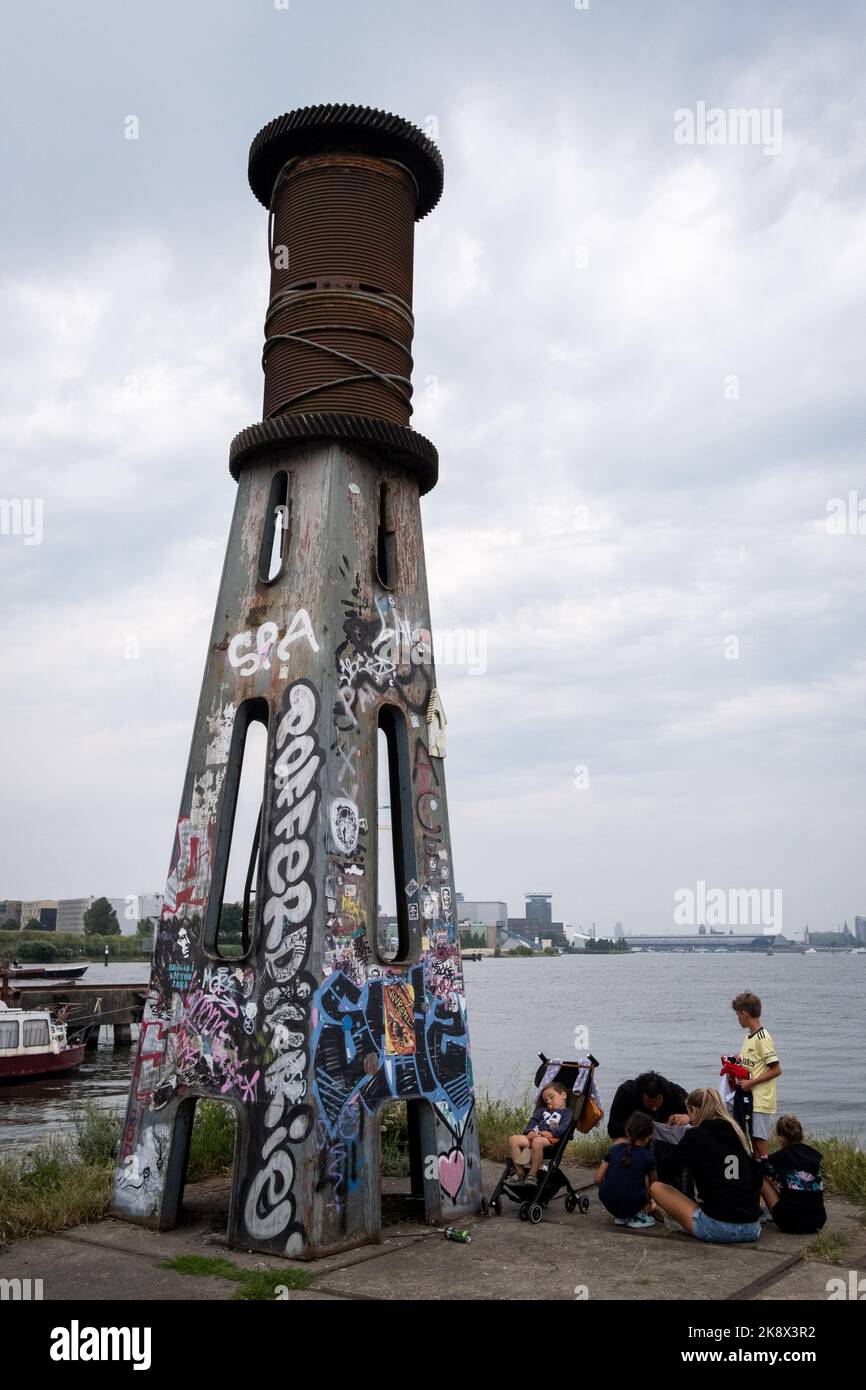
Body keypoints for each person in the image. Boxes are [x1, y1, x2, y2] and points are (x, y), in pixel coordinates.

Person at [649, 1088, 762, 1244]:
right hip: (752, 1228)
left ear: (693, 1110)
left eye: (689, 1113)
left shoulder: (696, 1135)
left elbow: (666, 1168)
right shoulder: (738, 1133)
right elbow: (757, 1180)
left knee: (656, 1187)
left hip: (720, 1228)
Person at [608, 1070, 691, 1190]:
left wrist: (687, 1117)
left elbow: (700, 1115)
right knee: (618, 1143)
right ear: (641, 1096)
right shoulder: (626, 1092)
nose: (654, 1109)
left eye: (658, 1103)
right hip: (635, 1140)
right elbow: (613, 1129)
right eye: (649, 1105)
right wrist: (640, 1127)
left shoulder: (675, 1092)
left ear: (663, 1096)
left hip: (664, 1144)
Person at [731, 991, 781, 1159]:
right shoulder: (748, 1037)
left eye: (738, 1014)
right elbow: (750, 1065)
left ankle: (769, 1175)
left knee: (760, 1141)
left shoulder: (762, 1037)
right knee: (751, 1139)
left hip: (761, 1098)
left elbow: (775, 1069)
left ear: (744, 1014)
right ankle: (758, 1177)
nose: (737, 1018)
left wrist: (751, 1083)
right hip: (749, 1096)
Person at [760, 1115, 826, 1234]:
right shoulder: (815, 1156)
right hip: (817, 1221)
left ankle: (756, 1211)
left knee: (760, 1177)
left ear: (780, 1138)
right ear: (801, 1135)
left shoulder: (779, 1157)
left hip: (790, 1222)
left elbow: (760, 1166)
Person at [595, 1111, 657, 1229]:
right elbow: (654, 1185)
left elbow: (597, 1179)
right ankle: (635, 1216)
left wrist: (610, 1190)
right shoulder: (647, 1156)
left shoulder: (614, 1150)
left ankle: (622, 1216)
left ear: (627, 1131)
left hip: (609, 1202)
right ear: (648, 1137)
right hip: (633, 1203)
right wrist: (652, 1202)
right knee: (645, 1177)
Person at [507, 1081, 573, 1188]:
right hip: (535, 1136)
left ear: (563, 1095)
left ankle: (532, 1175)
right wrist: (530, 1131)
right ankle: (520, 1173)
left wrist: (551, 1132)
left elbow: (564, 1127)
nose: (549, 1102)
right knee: (513, 1140)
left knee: (537, 1142)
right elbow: (532, 1122)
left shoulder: (567, 1113)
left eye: (551, 1097)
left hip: (551, 1139)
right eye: (546, 1101)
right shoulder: (541, 1111)